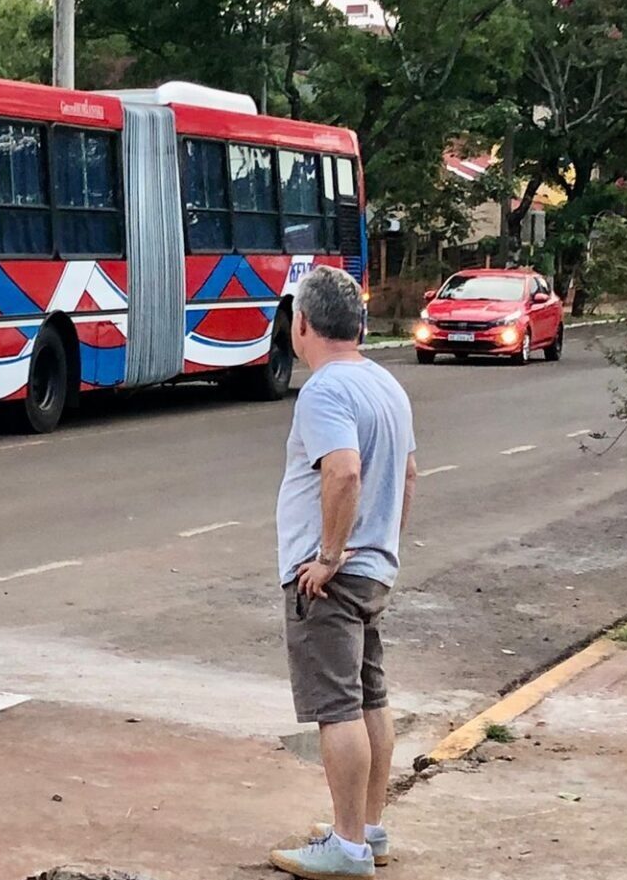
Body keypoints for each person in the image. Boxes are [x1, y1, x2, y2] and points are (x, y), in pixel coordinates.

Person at [268, 266, 417, 880]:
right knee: (370, 697)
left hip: (329, 577)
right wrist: (381, 546)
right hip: (374, 569)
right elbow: (407, 476)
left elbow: (344, 471)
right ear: (357, 323)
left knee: (337, 708)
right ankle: (368, 828)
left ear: (303, 324)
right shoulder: (386, 384)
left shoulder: (326, 391)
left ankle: (348, 848)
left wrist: (330, 556)